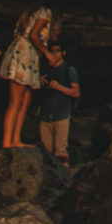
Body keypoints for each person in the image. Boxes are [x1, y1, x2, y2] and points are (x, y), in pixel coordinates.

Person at [0, 8, 48, 148]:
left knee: (25, 100)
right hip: (24, 54)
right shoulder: (45, 12)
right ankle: (7, 141)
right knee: (15, 102)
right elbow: (34, 35)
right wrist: (47, 53)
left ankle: (16, 139)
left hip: (28, 55)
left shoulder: (30, 13)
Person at [39, 29, 81, 163]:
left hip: (61, 115)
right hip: (45, 115)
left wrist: (58, 87)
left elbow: (76, 93)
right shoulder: (45, 70)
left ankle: (64, 179)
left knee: (61, 152)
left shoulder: (69, 70)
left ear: (63, 53)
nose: (54, 54)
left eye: (57, 51)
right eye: (52, 51)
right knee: (45, 152)